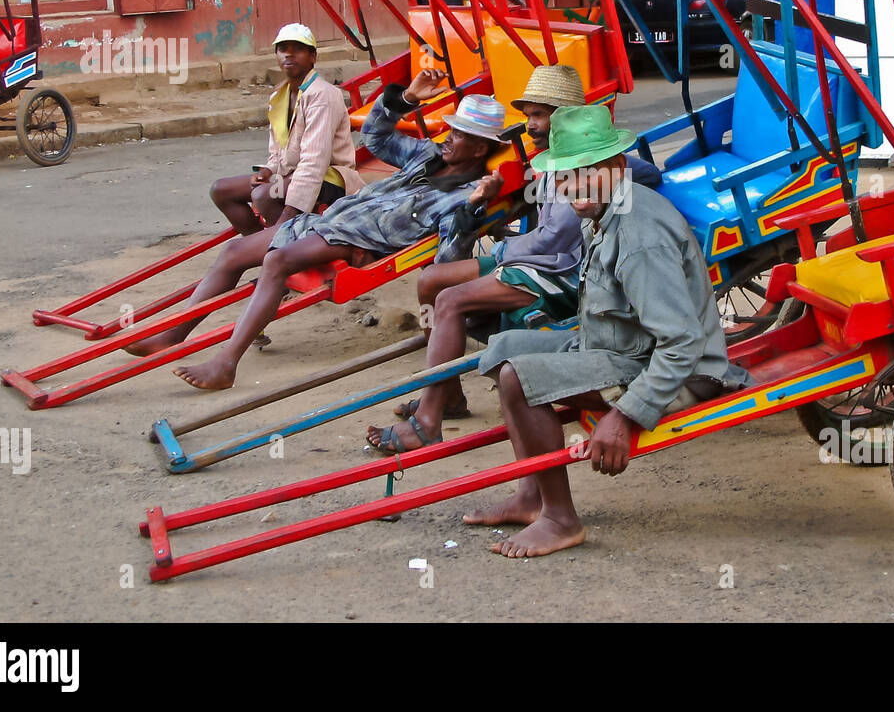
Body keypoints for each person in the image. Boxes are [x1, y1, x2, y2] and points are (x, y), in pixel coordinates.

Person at [462, 105, 751, 558]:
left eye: (585, 172)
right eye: (564, 175)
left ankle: (560, 519)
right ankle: (531, 496)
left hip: (679, 372)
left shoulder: (639, 234)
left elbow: (681, 342)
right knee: (505, 348)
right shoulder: (607, 206)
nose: (572, 187)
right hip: (626, 347)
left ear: (616, 166)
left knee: (520, 375)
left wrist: (625, 416)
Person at [126, 69, 507, 389]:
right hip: (330, 220)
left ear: (478, 149)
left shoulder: (463, 197)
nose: (449, 137)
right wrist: (404, 98)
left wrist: (472, 210)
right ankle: (174, 335)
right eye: (452, 131)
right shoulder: (429, 155)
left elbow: (446, 261)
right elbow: (375, 137)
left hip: (357, 239)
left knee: (276, 263)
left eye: (458, 135)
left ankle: (226, 364)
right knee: (232, 254)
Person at [366, 65, 661, 454]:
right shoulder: (545, 159)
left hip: (565, 270)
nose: (531, 125)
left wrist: (503, 251)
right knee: (432, 280)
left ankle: (428, 421)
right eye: (529, 116)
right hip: (536, 258)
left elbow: (557, 234)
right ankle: (447, 393)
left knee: (451, 301)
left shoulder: (589, 165)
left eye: (539, 115)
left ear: (565, 114)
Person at [210, 24, 362, 233]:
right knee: (221, 190)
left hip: (330, 180)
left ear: (313, 57)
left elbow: (314, 162)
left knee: (264, 195)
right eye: (283, 49)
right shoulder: (278, 97)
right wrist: (266, 171)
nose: (289, 54)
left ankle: (283, 244)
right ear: (277, 56)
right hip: (290, 175)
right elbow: (277, 153)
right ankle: (262, 246)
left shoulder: (323, 95)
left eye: (298, 48)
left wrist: (289, 213)